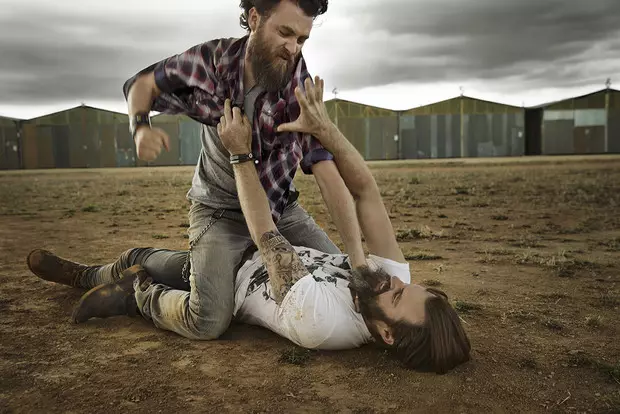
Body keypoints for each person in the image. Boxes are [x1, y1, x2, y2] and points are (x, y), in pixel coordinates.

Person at [27, 77, 471, 374]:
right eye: (407, 285)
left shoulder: (323, 324)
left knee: (204, 316)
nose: (392, 282)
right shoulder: (393, 282)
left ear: (387, 334)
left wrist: (240, 153)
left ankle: (133, 293)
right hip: (283, 241)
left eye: (395, 296)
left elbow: (264, 235)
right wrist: (324, 133)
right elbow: (366, 196)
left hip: (244, 270)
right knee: (308, 236)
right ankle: (87, 273)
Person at [115, 0, 368, 341]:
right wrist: (141, 128)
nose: (292, 49)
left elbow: (326, 173)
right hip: (220, 211)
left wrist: (358, 262)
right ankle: (137, 289)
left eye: (302, 40)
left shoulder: (298, 89)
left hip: (281, 211)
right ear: (254, 18)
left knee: (338, 277)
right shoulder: (211, 64)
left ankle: (204, 270)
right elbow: (141, 84)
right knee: (208, 321)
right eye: (285, 33)